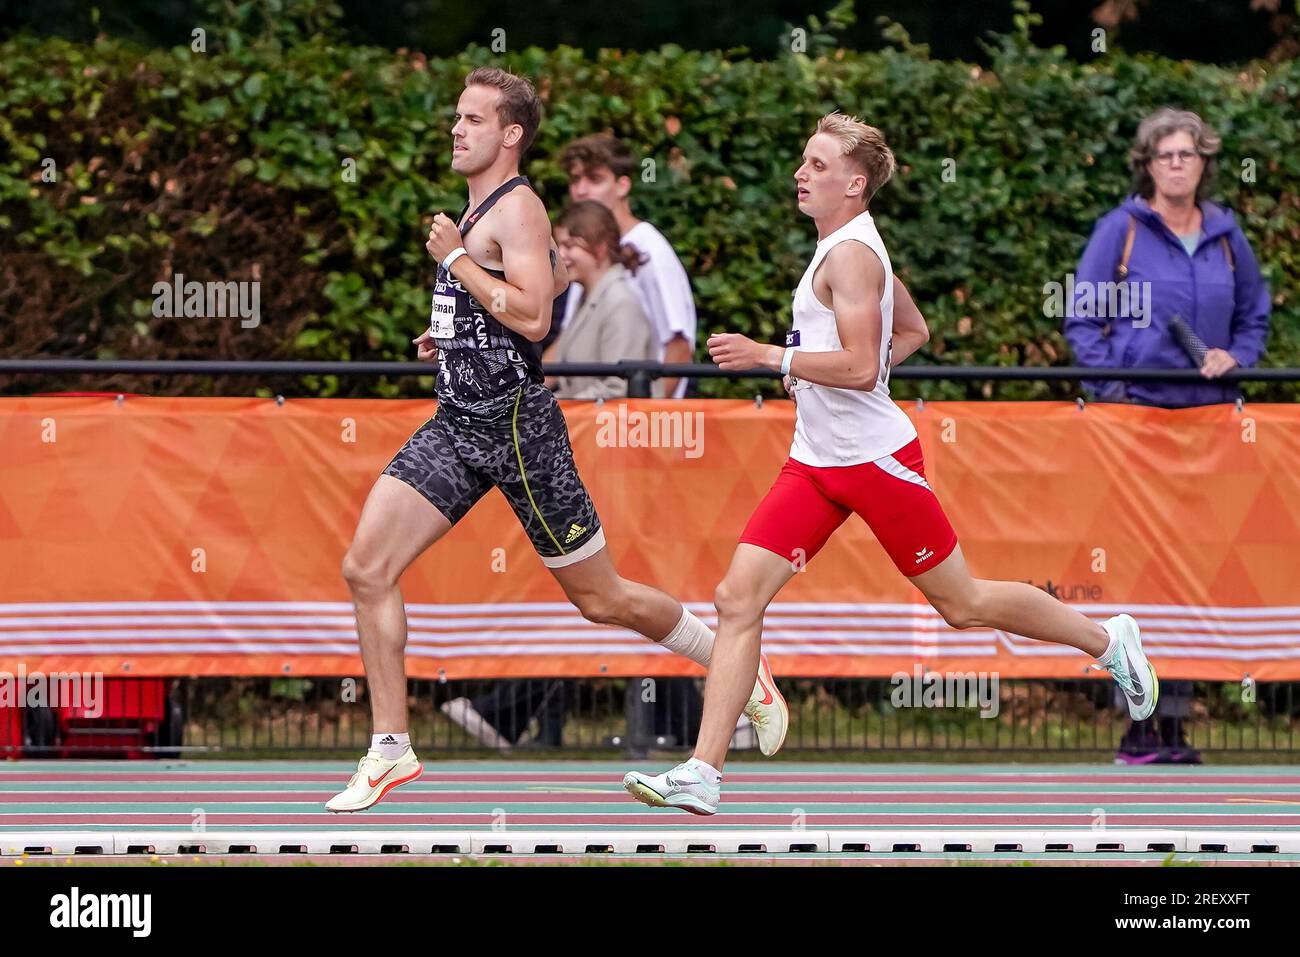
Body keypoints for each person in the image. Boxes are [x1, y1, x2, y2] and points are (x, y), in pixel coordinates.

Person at [623, 112, 1159, 815]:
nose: (800, 173)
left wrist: (775, 358)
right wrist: (826, 373)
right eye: (803, 161)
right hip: (815, 462)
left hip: (876, 461)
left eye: (816, 164)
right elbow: (910, 332)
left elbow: (854, 362)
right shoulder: (843, 247)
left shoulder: (852, 255)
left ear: (854, 183)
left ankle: (1107, 636)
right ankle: (704, 770)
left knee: (962, 602)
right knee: (735, 597)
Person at [326, 68, 785, 812]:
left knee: (600, 599)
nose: (456, 128)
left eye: (473, 119)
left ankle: (742, 668)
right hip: (457, 422)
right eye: (457, 116)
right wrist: (450, 335)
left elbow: (536, 317)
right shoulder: (474, 214)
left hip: (517, 429)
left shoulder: (521, 210)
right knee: (366, 565)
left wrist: (453, 261)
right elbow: (495, 312)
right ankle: (390, 746)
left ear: (510, 134)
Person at [1066, 107, 1271, 764]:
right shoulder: (1119, 231)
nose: (1177, 165)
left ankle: (1173, 722)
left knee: (1197, 575)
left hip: (1210, 429)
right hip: (1137, 428)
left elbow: (1254, 318)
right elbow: (1082, 318)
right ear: (1148, 164)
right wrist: (1115, 389)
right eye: (1165, 155)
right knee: (1140, 574)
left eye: (1188, 154)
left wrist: (1234, 357)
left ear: (1204, 162)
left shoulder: (1227, 236)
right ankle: (1141, 723)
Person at [560, 134, 698, 399]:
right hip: (597, 418)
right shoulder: (582, 255)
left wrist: (651, 417)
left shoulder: (650, 248)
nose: (581, 189)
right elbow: (568, 339)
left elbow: (679, 347)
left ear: (623, 186)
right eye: (575, 180)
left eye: (594, 179)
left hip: (638, 422)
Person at [544, 200, 658, 399]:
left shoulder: (620, 303)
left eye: (570, 246)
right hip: (592, 425)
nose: (561, 255)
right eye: (559, 245)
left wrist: (557, 408)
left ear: (601, 248)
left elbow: (619, 388)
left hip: (614, 427)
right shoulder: (589, 299)